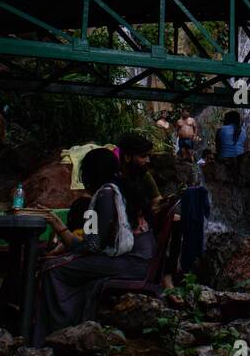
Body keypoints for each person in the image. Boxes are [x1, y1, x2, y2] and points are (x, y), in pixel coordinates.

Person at [37, 147, 156, 344]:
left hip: (131, 261)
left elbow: (91, 244)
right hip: (140, 259)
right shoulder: (122, 188)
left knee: (53, 269)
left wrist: (57, 225)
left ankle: (56, 334)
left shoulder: (104, 195)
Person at [116, 131, 162, 216]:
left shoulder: (144, 176)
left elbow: (157, 200)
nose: (148, 160)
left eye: (148, 156)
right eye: (143, 156)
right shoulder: (115, 178)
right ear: (127, 157)